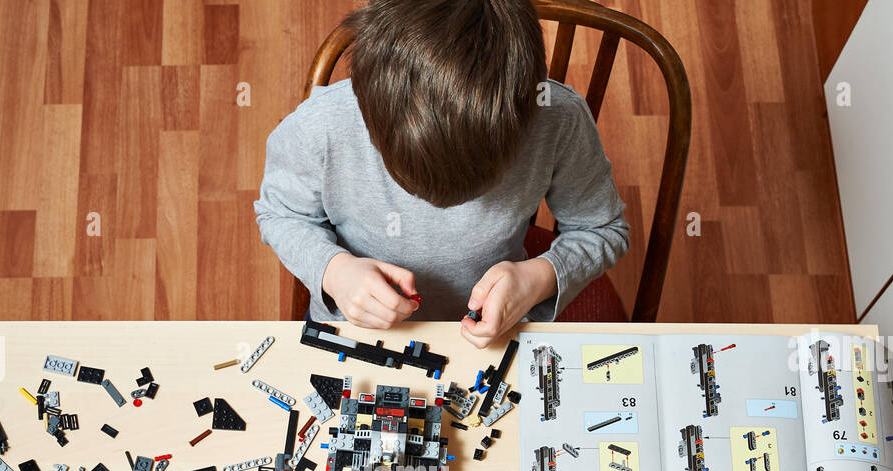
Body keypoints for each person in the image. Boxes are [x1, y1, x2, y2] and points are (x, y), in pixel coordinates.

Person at [254, 0, 630, 349]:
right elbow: (280, 214)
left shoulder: (557, 119)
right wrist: (333, 271)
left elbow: (602, 228)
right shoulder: (320, 126)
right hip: (355, 331)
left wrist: (540, 278)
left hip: (498, 332)